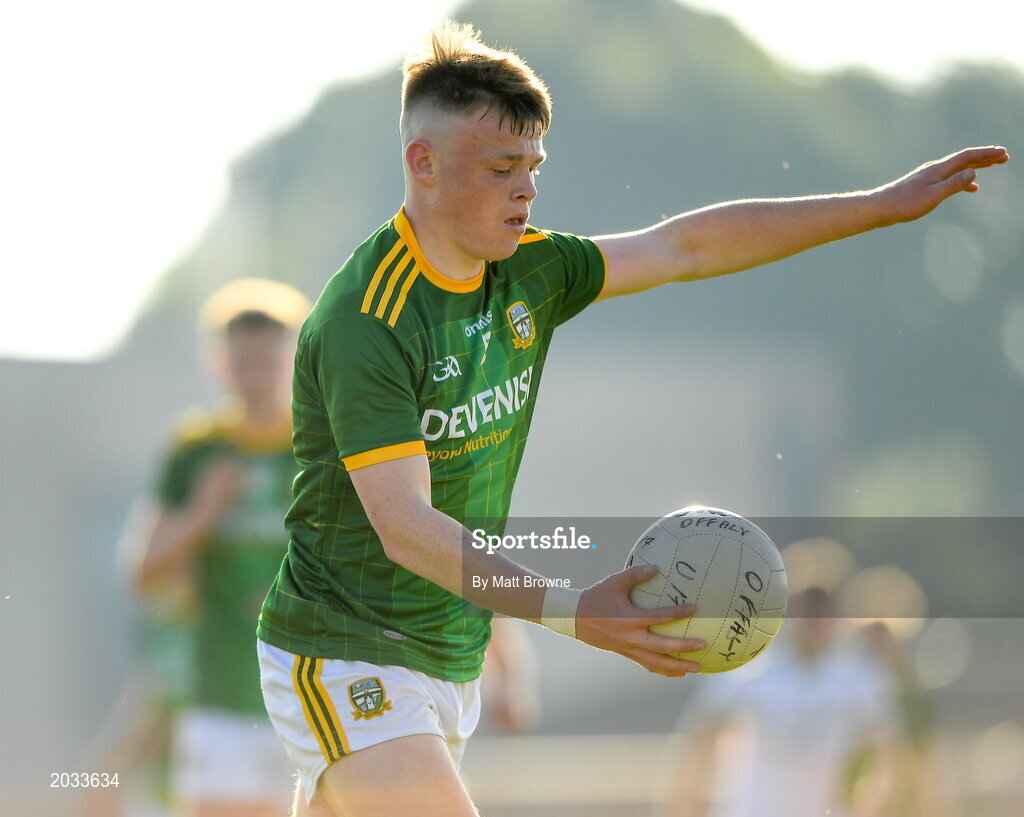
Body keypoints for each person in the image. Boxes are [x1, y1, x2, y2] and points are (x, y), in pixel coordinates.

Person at [254, 21, 1008, 817]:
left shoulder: (531, 270)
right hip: (345, 649)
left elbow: (684, 247)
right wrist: (575, 610)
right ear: (424, 163)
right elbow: (403, 524)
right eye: (503, 167)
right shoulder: (366, 319)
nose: (527, 189)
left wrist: (875, 208)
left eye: (534, 167)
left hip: (445, 656)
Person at [128, 278, 310, 817]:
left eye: (267, 362)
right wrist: (202, 513)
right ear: (218, 364)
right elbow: (143, 574)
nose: (254, 377)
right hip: (220, 701)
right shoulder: (195, 449)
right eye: (241, 362)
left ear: (290, 362)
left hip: (314, 699)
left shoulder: (322, 447)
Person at [661, 587, 900, 817]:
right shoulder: (747, 672)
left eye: (819, 612)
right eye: (806, 612)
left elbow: (888, 756)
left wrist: (873, 800)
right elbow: (698, 745)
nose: (812, 623)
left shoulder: (860, 679)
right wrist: (685, 806)